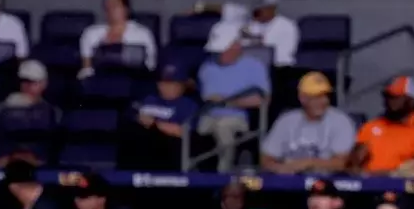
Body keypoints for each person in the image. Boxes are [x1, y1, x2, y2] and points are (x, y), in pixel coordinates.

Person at [196, 22, 270, 172]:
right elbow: (208, 97)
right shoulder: (207, 67)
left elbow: (263, 100)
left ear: (236, 46)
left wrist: (229, 103)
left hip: (239, 118)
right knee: (194, 129)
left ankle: (223, 175)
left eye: (222, 50)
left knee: (223, 127)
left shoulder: (255, 66)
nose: (219, 54)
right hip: (209, 115)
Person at [260, 72, 357, 174]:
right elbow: (266, 158)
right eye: (316, 97)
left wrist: (307, 163)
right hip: (289, 182)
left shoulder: (341, 121)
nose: (323, 101)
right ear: (302, 98)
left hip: (327, 183)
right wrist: (279, 168)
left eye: (325, 96)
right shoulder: (287, 120)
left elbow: (342, 163)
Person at [349, 76, 414, 174]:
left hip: (400, 185)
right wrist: (356, 157)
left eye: (396, 97)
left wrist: (386, 175)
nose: (390, 101)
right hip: (368, 185)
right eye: (388, 96)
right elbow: (352, 166)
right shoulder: (371, 126)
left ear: (412, 101)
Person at [125, 63, 200, 172]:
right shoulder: (148, 100)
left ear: (182, 86)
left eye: (172, 84)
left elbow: (182, 132)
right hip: (145, 149)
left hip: (171, 151)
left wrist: (154, 124)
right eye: (163, 83)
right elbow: (134, 119)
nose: (166, 87)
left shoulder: (188, 105)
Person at [0, 60, 61, 164]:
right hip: (5, 158)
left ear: (44, 84)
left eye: (33, 82)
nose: (27, 86)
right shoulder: (1, 109)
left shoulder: (53, 112)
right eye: (24, 81)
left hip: (39, 161)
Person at [78, 0, 157, 73]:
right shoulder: (91, 33)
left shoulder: (142, 34)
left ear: (126, 9)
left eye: (115, 6)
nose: (111, 10)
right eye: (107, 6)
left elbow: (150, 65)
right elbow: (87, 67)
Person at [239, 0, 299, 67]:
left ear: (273, 8)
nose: (258, 12)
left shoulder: (287, 26)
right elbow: (243, 48)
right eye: (256, 9)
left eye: (262, 9)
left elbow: (281, 56)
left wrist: (256, 41)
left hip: (279, 70)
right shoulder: (248, 24)